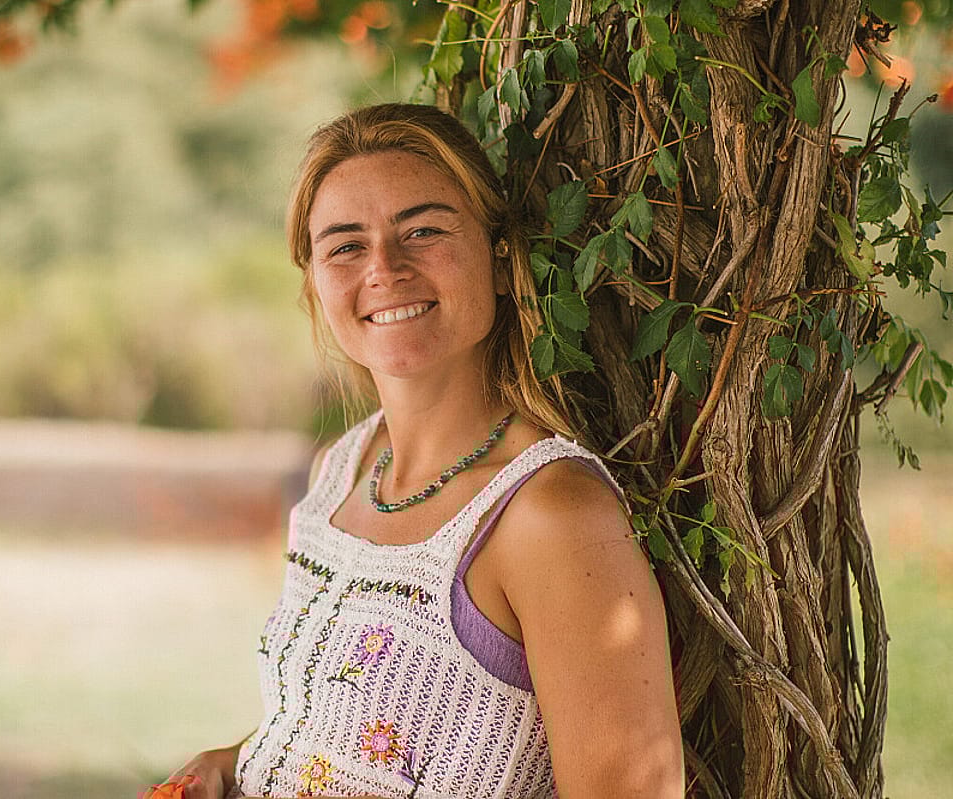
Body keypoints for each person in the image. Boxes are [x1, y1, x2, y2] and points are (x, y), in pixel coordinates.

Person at [161, 103, 683, 799]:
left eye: (424, 231)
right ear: (316, 283)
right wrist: (233, 761)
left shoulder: (552, 515)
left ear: (501, 261)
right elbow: (346, 733)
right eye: (346, 246)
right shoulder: (340, 470)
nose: (384, 268)